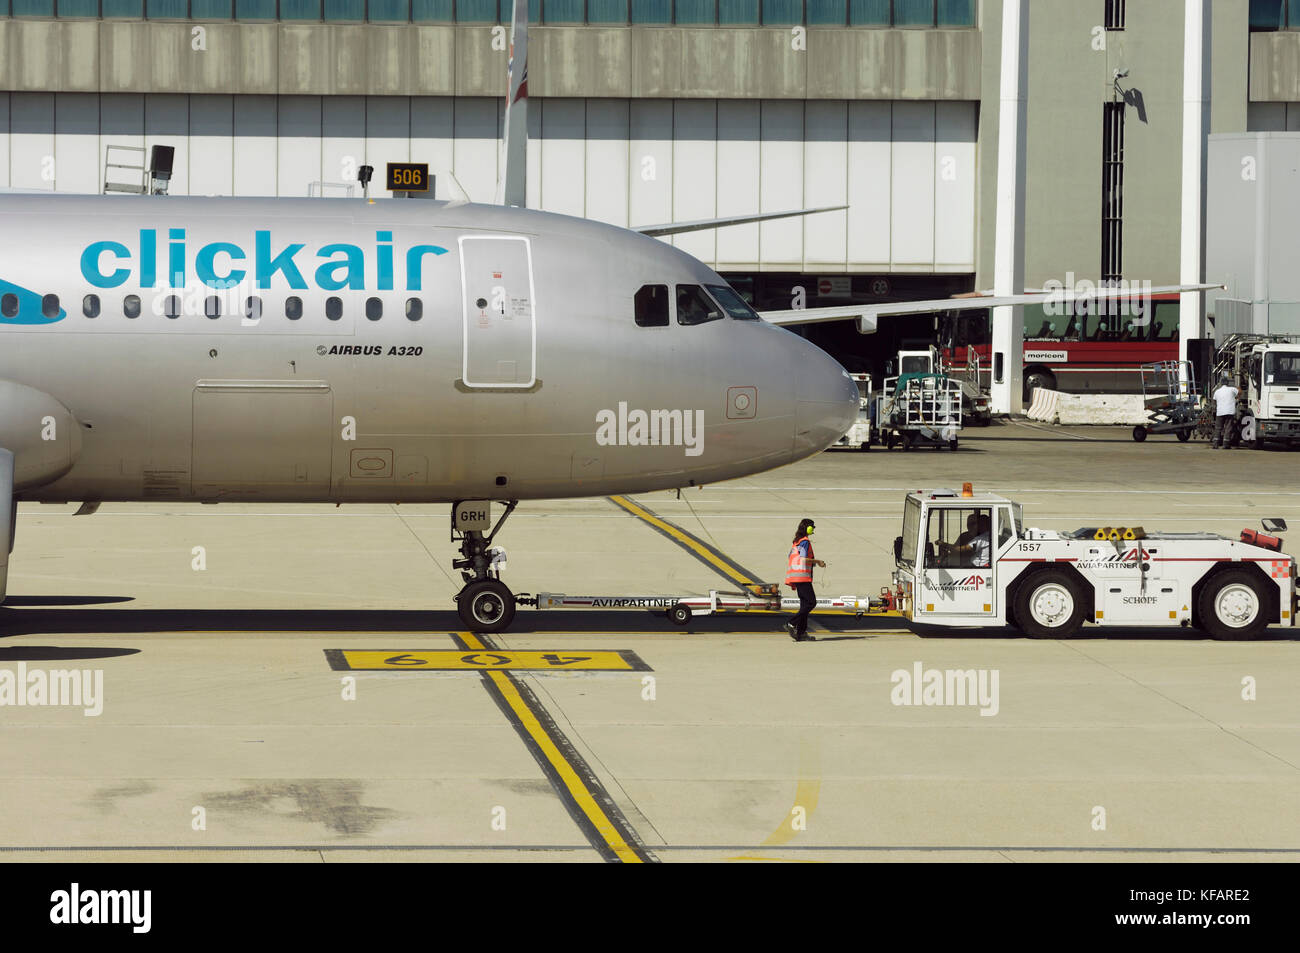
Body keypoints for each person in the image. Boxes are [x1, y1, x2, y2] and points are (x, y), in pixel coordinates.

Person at [783, 517, 825, 643]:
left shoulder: (796, 542)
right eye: (813, 526)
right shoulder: (805, 541)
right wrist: (818, 561)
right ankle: (791, 623)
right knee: (812, 603)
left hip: (796, 576)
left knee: (804, 605)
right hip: (802, 577)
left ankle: (801, 633)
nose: (814, 529)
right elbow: (803, 559)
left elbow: (791, 557)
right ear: (808, 528)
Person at [1211, 373, 1239, 450]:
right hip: (1229, 411)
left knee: (1218, 428)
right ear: (1227, 383)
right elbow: (1239, 392)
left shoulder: (1217, 391)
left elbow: (1214, 401)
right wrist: (1236, 398)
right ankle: (1226, 445)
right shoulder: (1232, 389)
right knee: (1228, 428)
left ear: (1220, 383)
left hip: (1220, 412)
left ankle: (1215, 444)